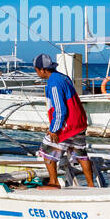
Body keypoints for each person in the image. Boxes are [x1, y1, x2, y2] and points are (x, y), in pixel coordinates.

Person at [33, 53, 95, 187]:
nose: (37, 72)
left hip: (68, 123)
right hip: (79, 122)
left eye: (37, 70)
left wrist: (54, 129)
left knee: (46, 148)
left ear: (43, 70)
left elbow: (60, 109)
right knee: (80, 153)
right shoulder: (64, 77)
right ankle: (91, 185)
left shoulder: (53, 83)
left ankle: (53, 182)